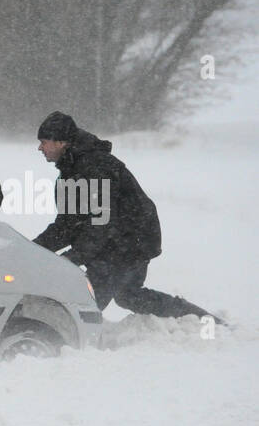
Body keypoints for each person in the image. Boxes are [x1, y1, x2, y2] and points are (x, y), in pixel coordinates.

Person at [32, 110, 221, 322]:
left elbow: (101, 223)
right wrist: (33, 250)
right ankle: (199, 321)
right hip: (115, 239)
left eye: (44, 141)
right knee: (128, 295)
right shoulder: (69, 172)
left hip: (132, 238)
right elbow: (66, 224)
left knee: (88, 299)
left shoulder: (96, 167)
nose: (40, 147)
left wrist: (72, 258)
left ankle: (69, 346)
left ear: (61, 142)